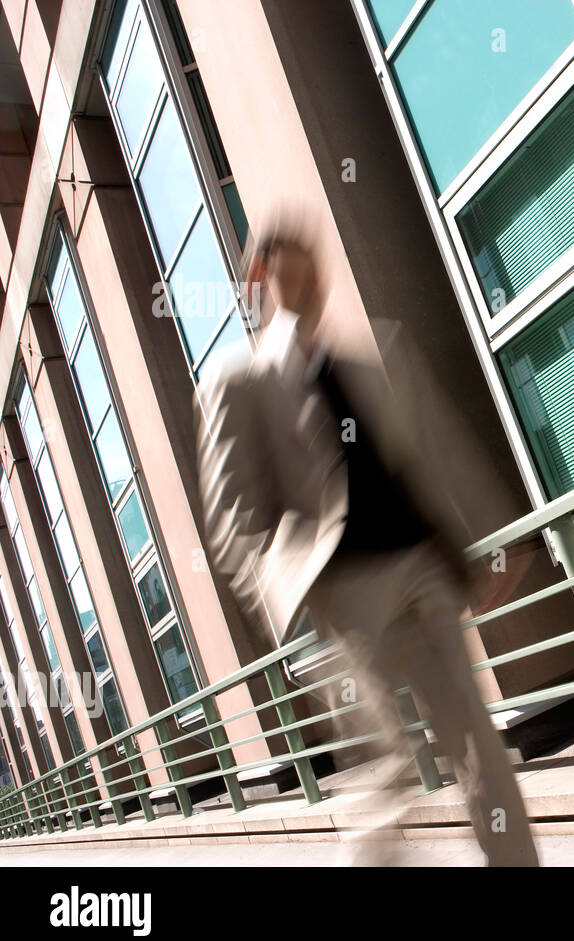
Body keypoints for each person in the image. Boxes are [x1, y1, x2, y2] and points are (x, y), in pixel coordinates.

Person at [194, 225, 538, 866]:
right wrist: (294, 608)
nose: (315, 282)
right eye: (296, 271)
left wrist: (494, 542)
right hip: (343, 600)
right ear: (260, 279)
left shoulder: (370, 358)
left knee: (477, 745)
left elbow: (436, 454)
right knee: (386, 770)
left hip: (419, 570)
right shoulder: (237, 383)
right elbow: (235, 522)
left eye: (317, 269)